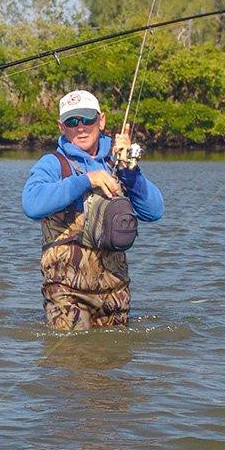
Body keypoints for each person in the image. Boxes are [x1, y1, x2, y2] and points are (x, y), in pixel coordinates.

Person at [21, 90, 163, 330]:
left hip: (115, 289)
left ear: (102, 120)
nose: (81, 127)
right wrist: (87, 180)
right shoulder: (53, 163)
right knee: (71, 360)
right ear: (61, 126)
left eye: (87, 119)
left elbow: (154, 211)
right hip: (66, 290)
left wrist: (129, 170)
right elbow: (32, 205)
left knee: (113, 362)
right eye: (72, 121)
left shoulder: (117, 162)